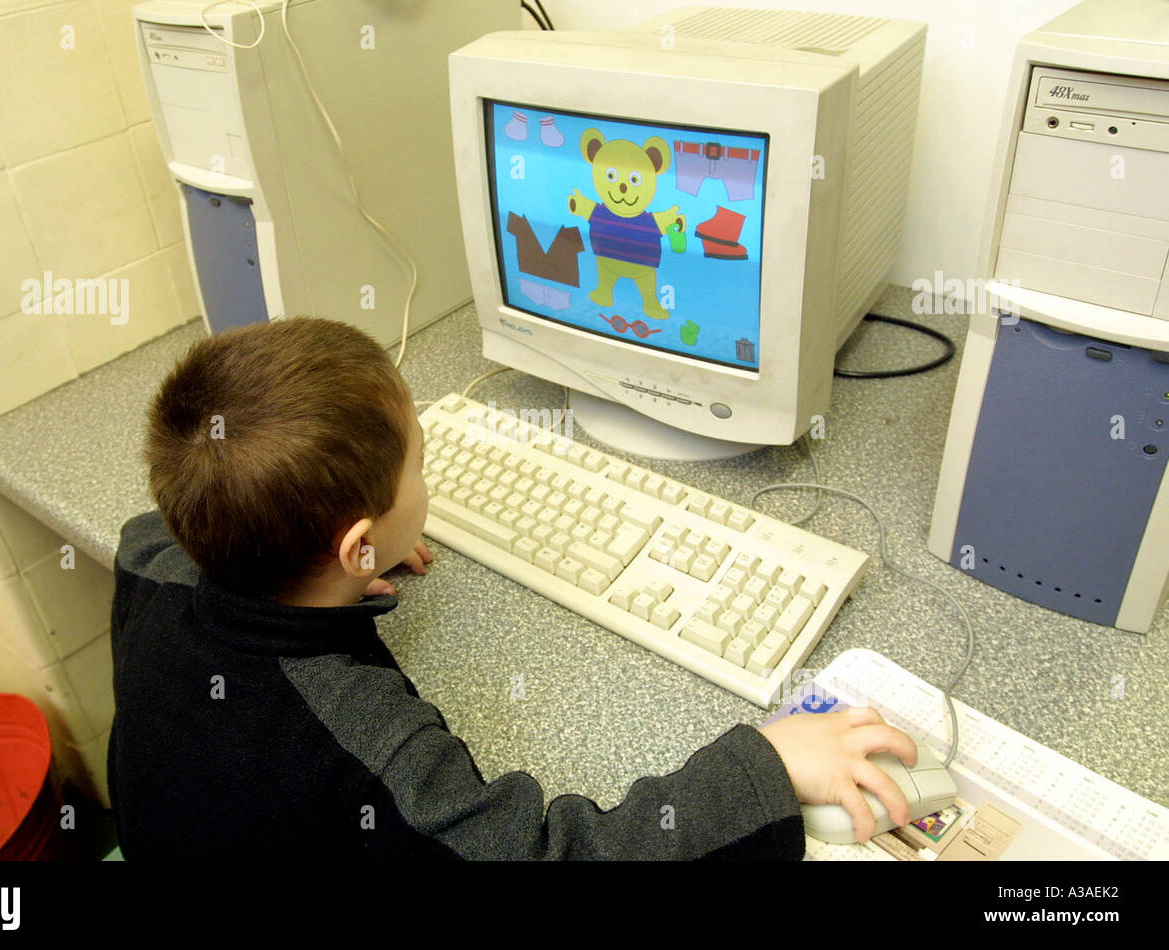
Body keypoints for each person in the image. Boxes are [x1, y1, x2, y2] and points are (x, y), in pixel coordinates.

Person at [107, 317, 918, 859]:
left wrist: (350, 566)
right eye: (420, 466)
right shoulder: (358, 738)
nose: (428, 479)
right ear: (355, 546)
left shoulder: (156, 564)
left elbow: (149, 525)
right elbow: (537, 858)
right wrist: (762, 769)